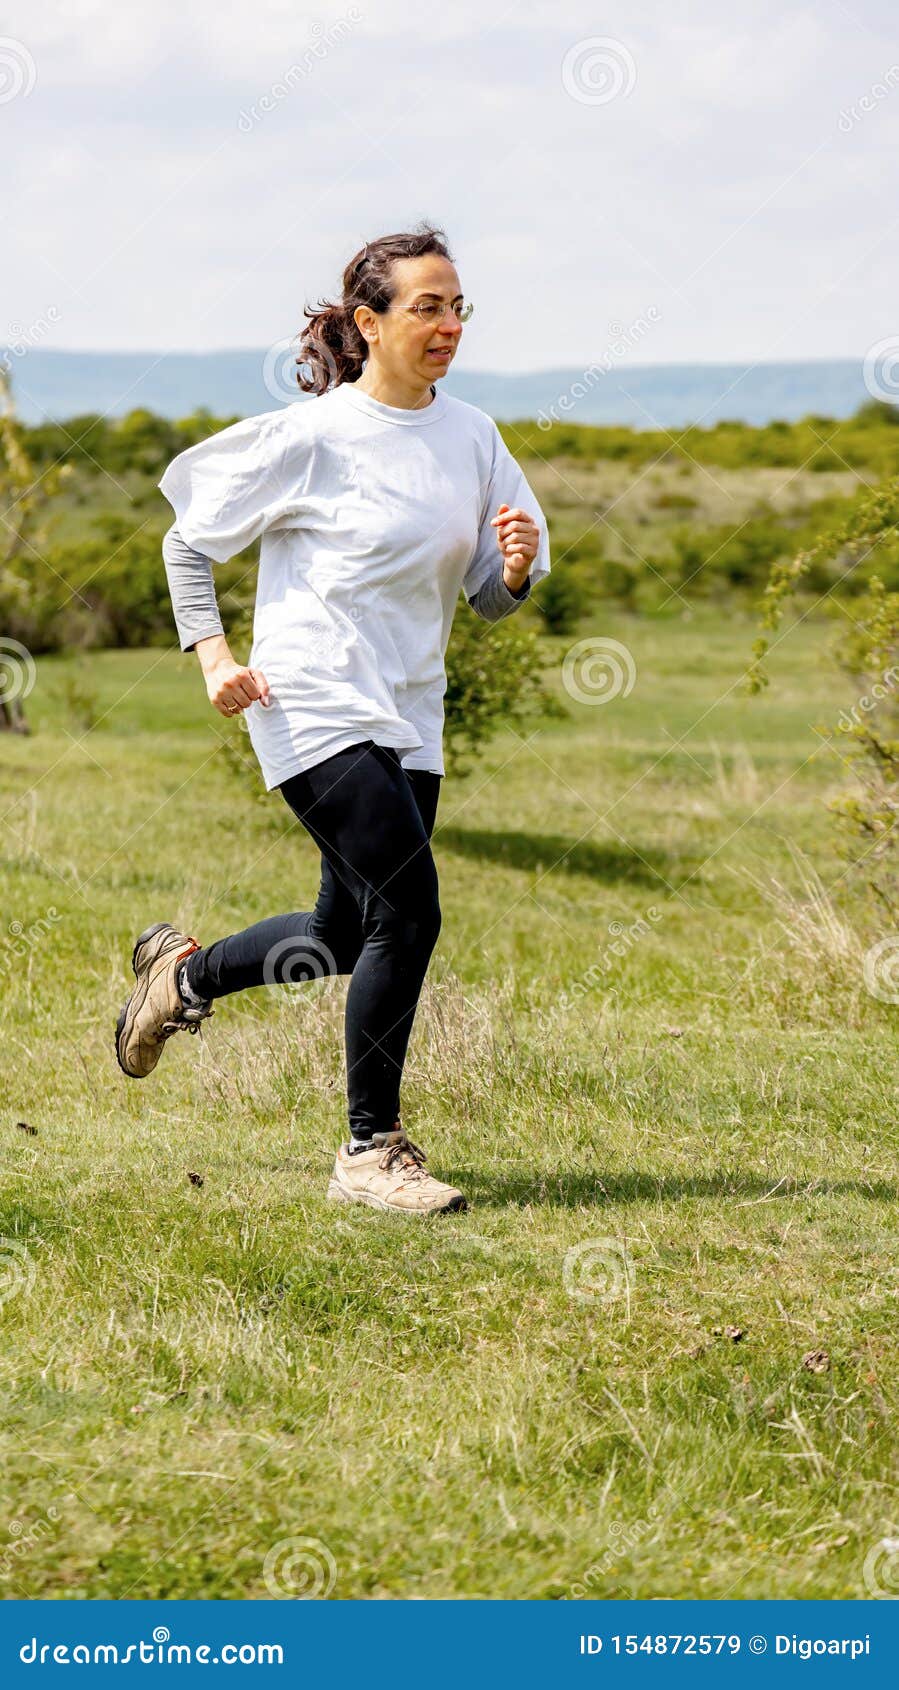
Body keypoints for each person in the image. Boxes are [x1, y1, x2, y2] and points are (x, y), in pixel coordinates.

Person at [115, 223, 551, 1215]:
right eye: (426, 307)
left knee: (343, 931)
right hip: (309, 700)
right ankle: (369, 1153)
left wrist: (514, 570)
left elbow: (486, 597)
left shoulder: (473, 436)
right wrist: (216, 658)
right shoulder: (313, 436)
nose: (447, 325)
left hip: (408, 712)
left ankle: (183, 980)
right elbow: (189, 543)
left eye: (456, 307)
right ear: (369, 321)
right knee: (411, 909)